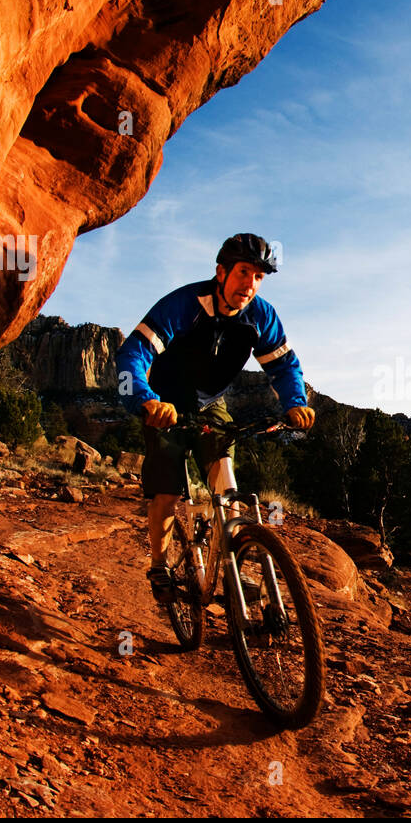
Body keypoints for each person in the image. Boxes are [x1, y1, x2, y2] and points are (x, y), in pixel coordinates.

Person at [114, 233, 316, 604]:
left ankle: (232, 574)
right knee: (167, 490)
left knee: (228, 486)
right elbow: (133, 354)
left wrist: (294, 401)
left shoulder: (260, 316)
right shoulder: (183, 304)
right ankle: (159, 566)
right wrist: (146, 402)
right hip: (166, 405)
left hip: (211, 405)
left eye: (258, 277)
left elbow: (284, 365)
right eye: (243, 272)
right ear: (221, 272)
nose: (250, 284)